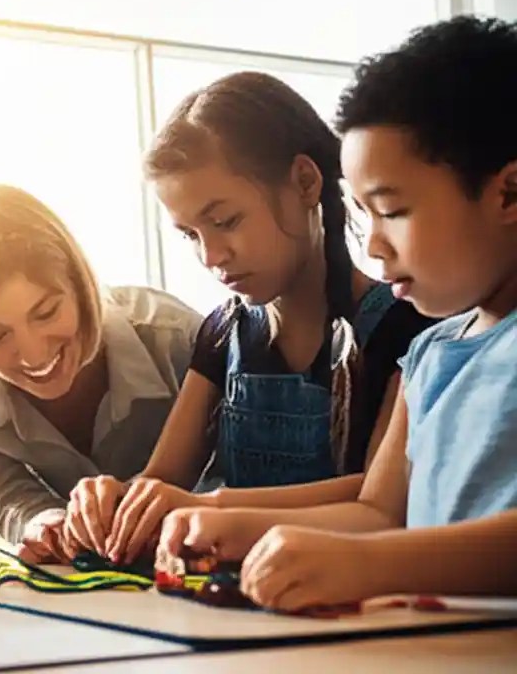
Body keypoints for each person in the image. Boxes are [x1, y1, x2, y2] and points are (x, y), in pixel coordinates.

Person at [161, 16, 517, 611]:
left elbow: (382, 545)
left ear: (508, 194)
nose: (373, 244)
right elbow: (377, 512)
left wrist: (371, 565)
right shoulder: (429, 355)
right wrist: (232, 523)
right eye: (364, 214)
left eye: (393, 210)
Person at [65, 72, 437, 566]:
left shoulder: (404, 329)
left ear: (306, 182)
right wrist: (111, 505)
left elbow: (382, 498)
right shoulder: (223, 332)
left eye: (225, 221)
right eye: (190, 235)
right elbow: (162, 480)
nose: (211, 255)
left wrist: (210, 507)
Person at [0, 184, 202, 563]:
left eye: (46, 312)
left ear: (79, 287)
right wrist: (46, 524)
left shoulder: (179, 342)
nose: (33, 353)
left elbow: (254, 475)